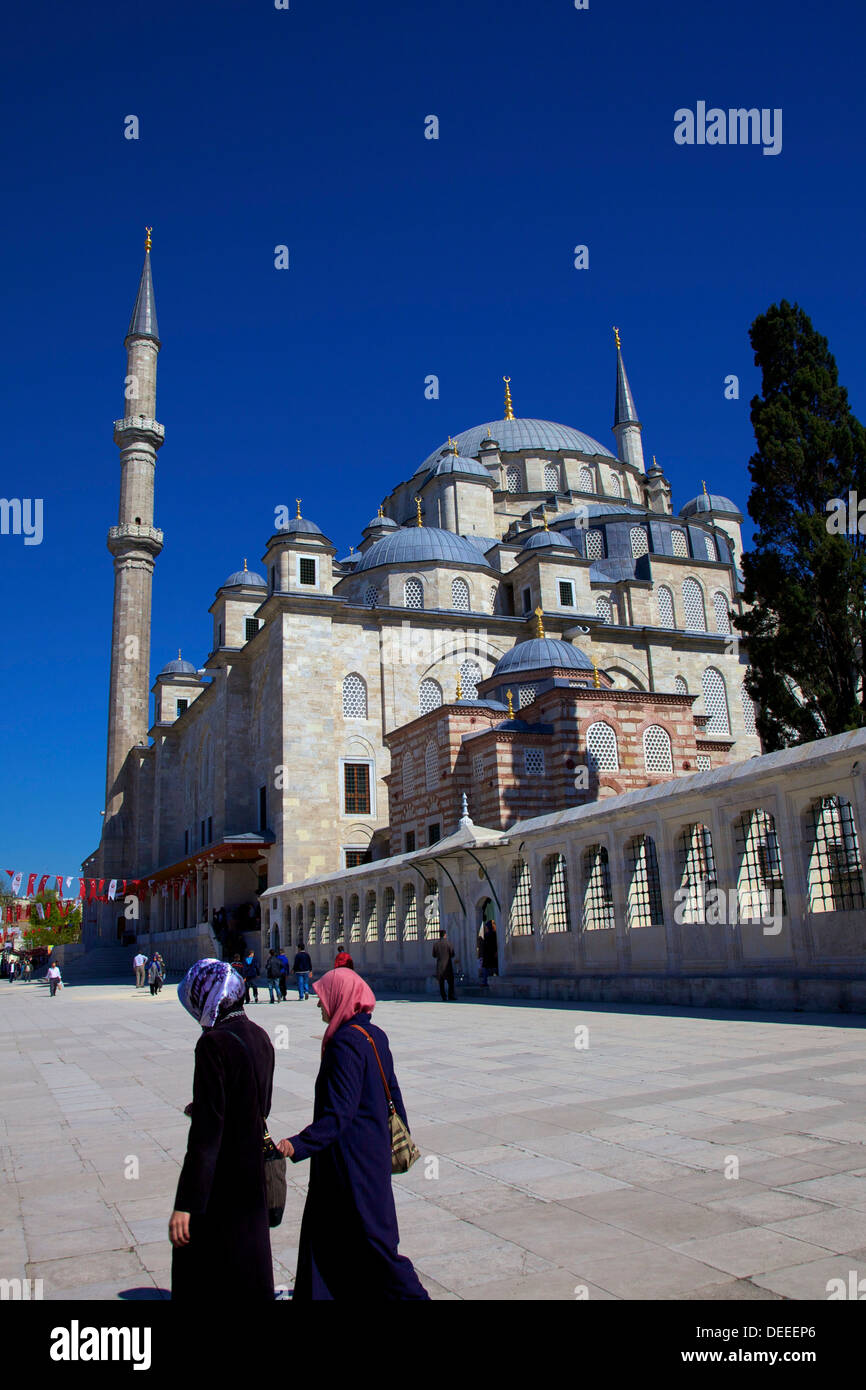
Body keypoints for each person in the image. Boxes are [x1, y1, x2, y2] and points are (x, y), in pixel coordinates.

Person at [276, 969, 428, 1301]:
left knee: (376, 1244)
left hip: (350, 1163)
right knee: (335, 1236)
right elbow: (395, 1096)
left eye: (323, 995)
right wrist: (394, 1138)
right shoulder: (374, 1035)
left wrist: (297, 1144)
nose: (319, 1003)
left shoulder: (345, 1043)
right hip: (370, 1155)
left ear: (340, 997)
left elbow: (339, 1113)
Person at [169, 959, 276, 1302]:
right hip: (252, 1174)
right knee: (248, 1262)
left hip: (222, 1179)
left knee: (205, 1268)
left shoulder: (213, 1044)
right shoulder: (260, 1036)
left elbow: (206, 1136)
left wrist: (186, 1203)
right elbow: (261, 1106)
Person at [432, 929, 456, 1001]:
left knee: (441, 983)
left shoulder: (436, 944)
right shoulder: (449, 943)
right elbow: (452, 954)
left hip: (440, 966)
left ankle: (444, 996)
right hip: (448, 966)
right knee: (450, 982)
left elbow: (434, 955)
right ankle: (450, 995)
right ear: (445, 935)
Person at [477, 920, 499, 987]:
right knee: (492, 968)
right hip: (491, 954)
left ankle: (485, 982)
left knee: (488, 968)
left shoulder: (489, 934)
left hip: (489, 954)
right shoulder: (493, 934)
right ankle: (487, 981)